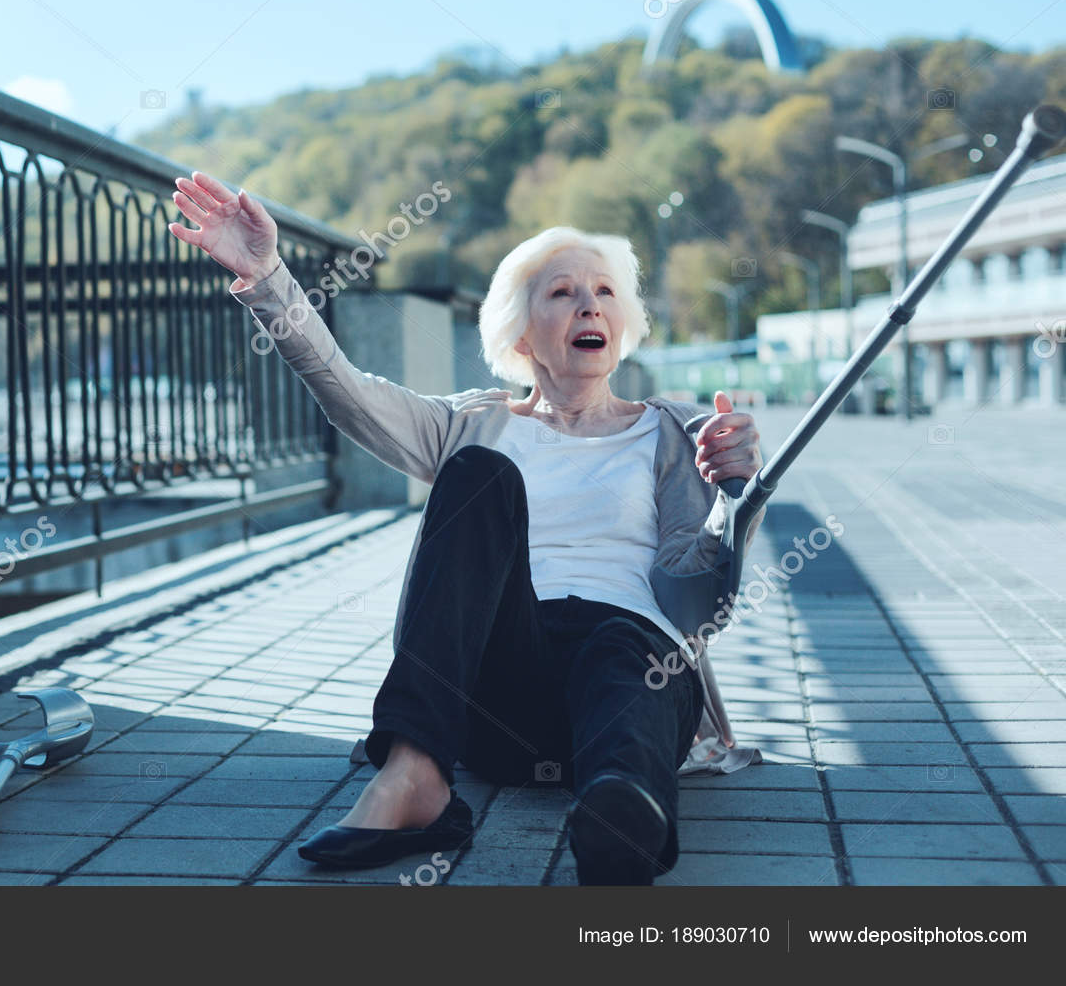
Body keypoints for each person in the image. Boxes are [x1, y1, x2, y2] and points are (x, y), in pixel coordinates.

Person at [168, 172, 765, 884]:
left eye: (604, 291)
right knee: (480, 474)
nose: (588, 304)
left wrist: (735, 488)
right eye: (562, 291)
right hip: (506, 692)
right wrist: (269, 278)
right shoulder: (471, 425)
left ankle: (620, 815)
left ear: (623, 322)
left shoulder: (679, 431)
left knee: (621, 647)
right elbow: (349, 393)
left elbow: (707, 590)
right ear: (521, 331)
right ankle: (415, 776)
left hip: (633, 676)